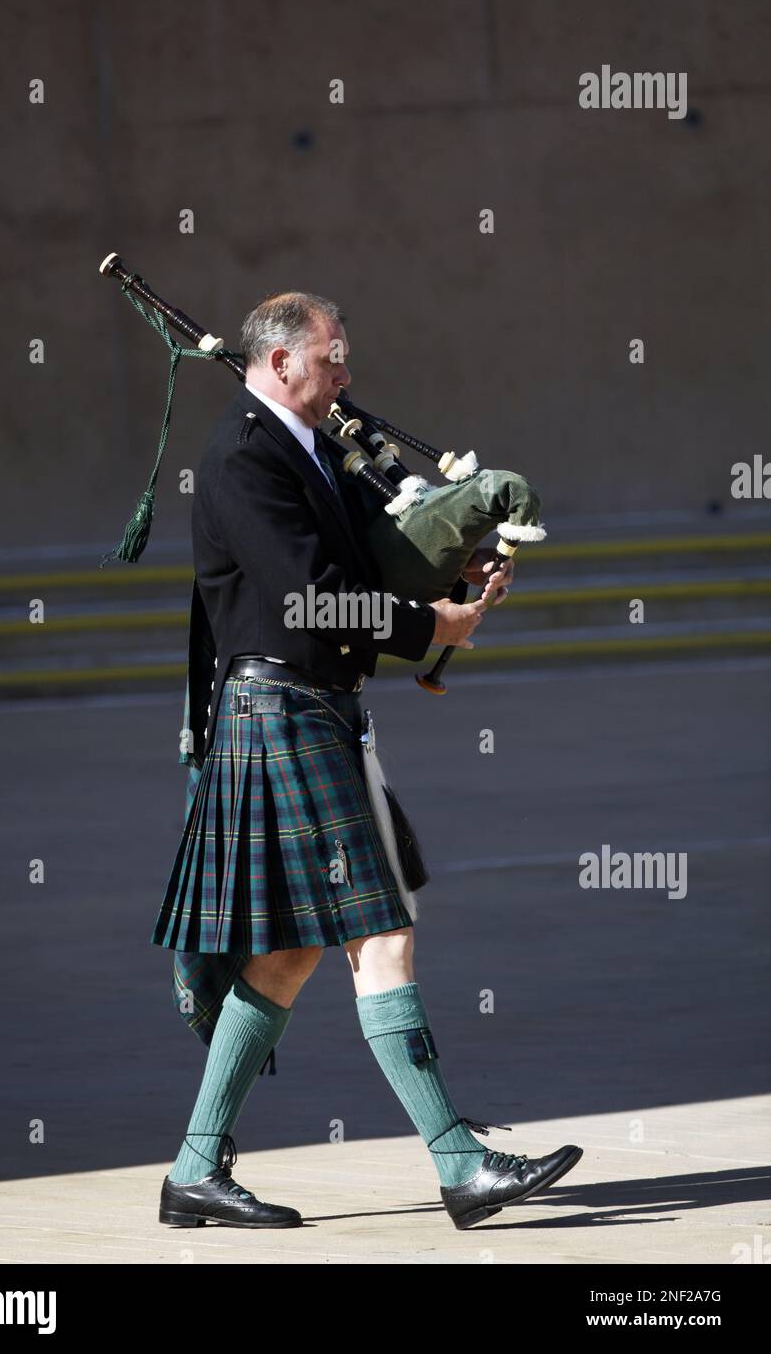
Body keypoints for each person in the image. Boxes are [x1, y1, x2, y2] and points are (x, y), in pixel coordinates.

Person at [150, 290, 582, 1231]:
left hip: (312, 714)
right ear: (279, 365)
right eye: (332, 359)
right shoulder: (239, 459)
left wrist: (457, 570)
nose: (346, 375)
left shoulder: (305, 449)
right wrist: (435, 628)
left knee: (291, 952)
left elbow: (366, 567)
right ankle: (462, 1166)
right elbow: (312, 601)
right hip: (282, 712)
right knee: (379, 934)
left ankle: (193, 1171)